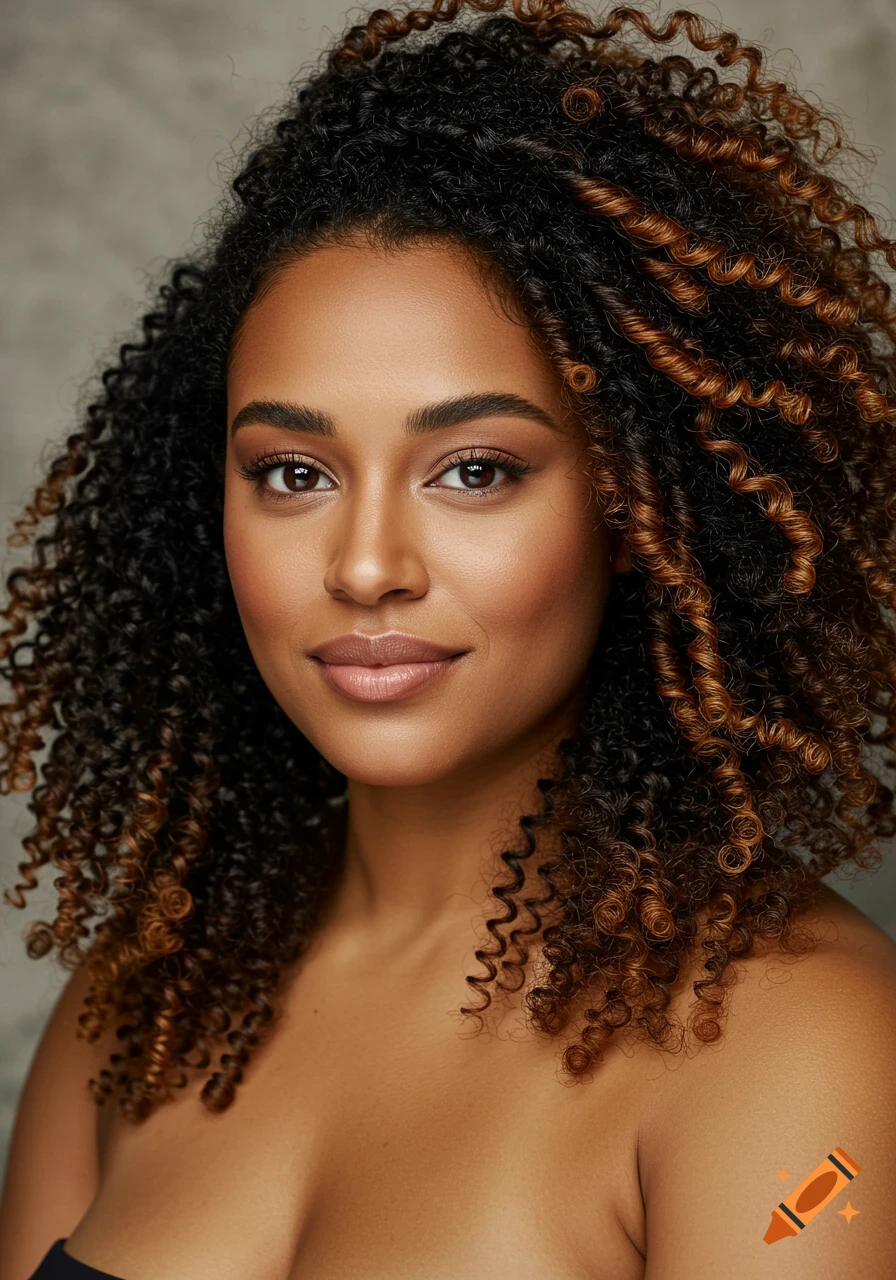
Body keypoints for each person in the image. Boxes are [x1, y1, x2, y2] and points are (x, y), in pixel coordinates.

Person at [2, 0, 896, 1276]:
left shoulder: (806, 1040)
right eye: (294, 473)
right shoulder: (139, 996)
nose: (366, 565)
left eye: (473, 469)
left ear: (639, 508)